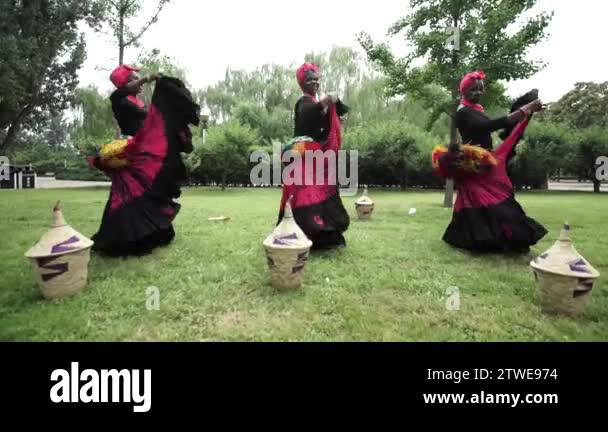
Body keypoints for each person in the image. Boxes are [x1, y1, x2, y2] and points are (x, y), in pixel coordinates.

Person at [88, 75, 200, 257]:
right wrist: (147, 80)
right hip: (134, 154)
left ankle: (155, 234)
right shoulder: (119, 100)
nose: (139, 85)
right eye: (134, 80)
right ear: (125, 84)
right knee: (129, 197)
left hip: (140, 152)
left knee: (145, 194)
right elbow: (139, 111)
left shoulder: (131, 101)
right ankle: (125, 240)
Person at [434, 92, 547, 254]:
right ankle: (478, 240)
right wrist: (525, 110)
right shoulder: (463, 112)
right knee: (473, 201)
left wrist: (527, 113)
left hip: (487, 162)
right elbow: (488, 126)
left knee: (489, 202)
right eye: (473, 89)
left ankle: (498, 240)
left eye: (481, 88)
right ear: (464, 91)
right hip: (472, 165)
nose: (479, 92)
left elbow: (503, 131)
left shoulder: (477, 111)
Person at [277, 62, 350, 250]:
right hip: (302, 158)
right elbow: (310, 113)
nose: (314, 83)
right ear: (303, 84)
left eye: (317, 80)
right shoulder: (304, 102)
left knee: (321, 192)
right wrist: (326, 101)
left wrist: (334, 105)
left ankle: (324, 237)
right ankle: (302, 235)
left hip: (316, 159)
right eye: (310, 80)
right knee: (306, 195)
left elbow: (342, 109)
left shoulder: (318, 104)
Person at [109, 64, 159, 137]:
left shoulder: (139, 102)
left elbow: (148, 116)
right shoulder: (117, 98)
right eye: (136, 78)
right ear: (126, 82)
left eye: (139, 79)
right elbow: (128, 88)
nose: (140, 83)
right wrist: (144, 79)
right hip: (130, 143)